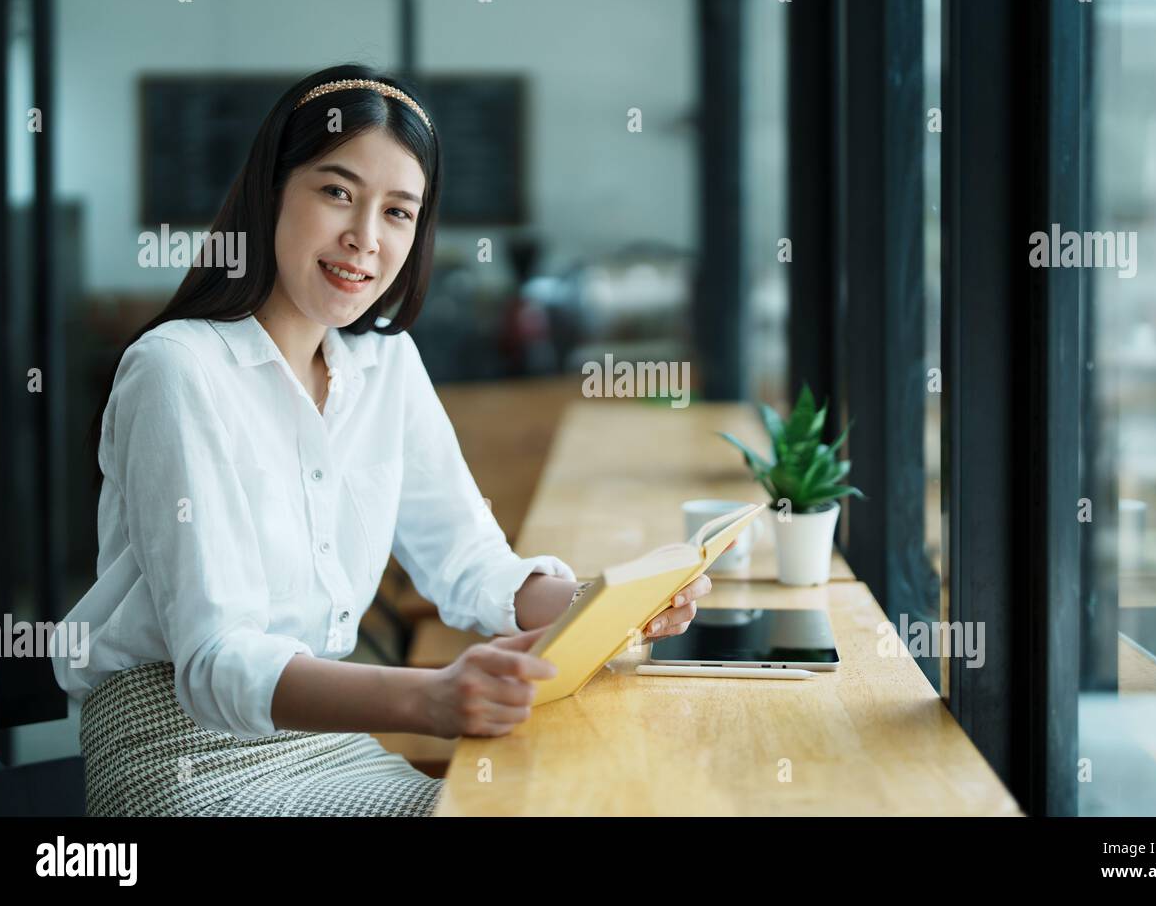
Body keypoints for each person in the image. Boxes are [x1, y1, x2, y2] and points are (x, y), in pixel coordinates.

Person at [52, 64, 711, 817]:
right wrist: (428, 699)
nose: (364, 238)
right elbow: (214, 664)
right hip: (178, 756)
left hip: (326, 736)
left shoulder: (385, 361)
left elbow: (468, 561)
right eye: (337, 192)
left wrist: (604, 606)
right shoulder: (177, 369)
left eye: (398, 212)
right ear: (272, 190)